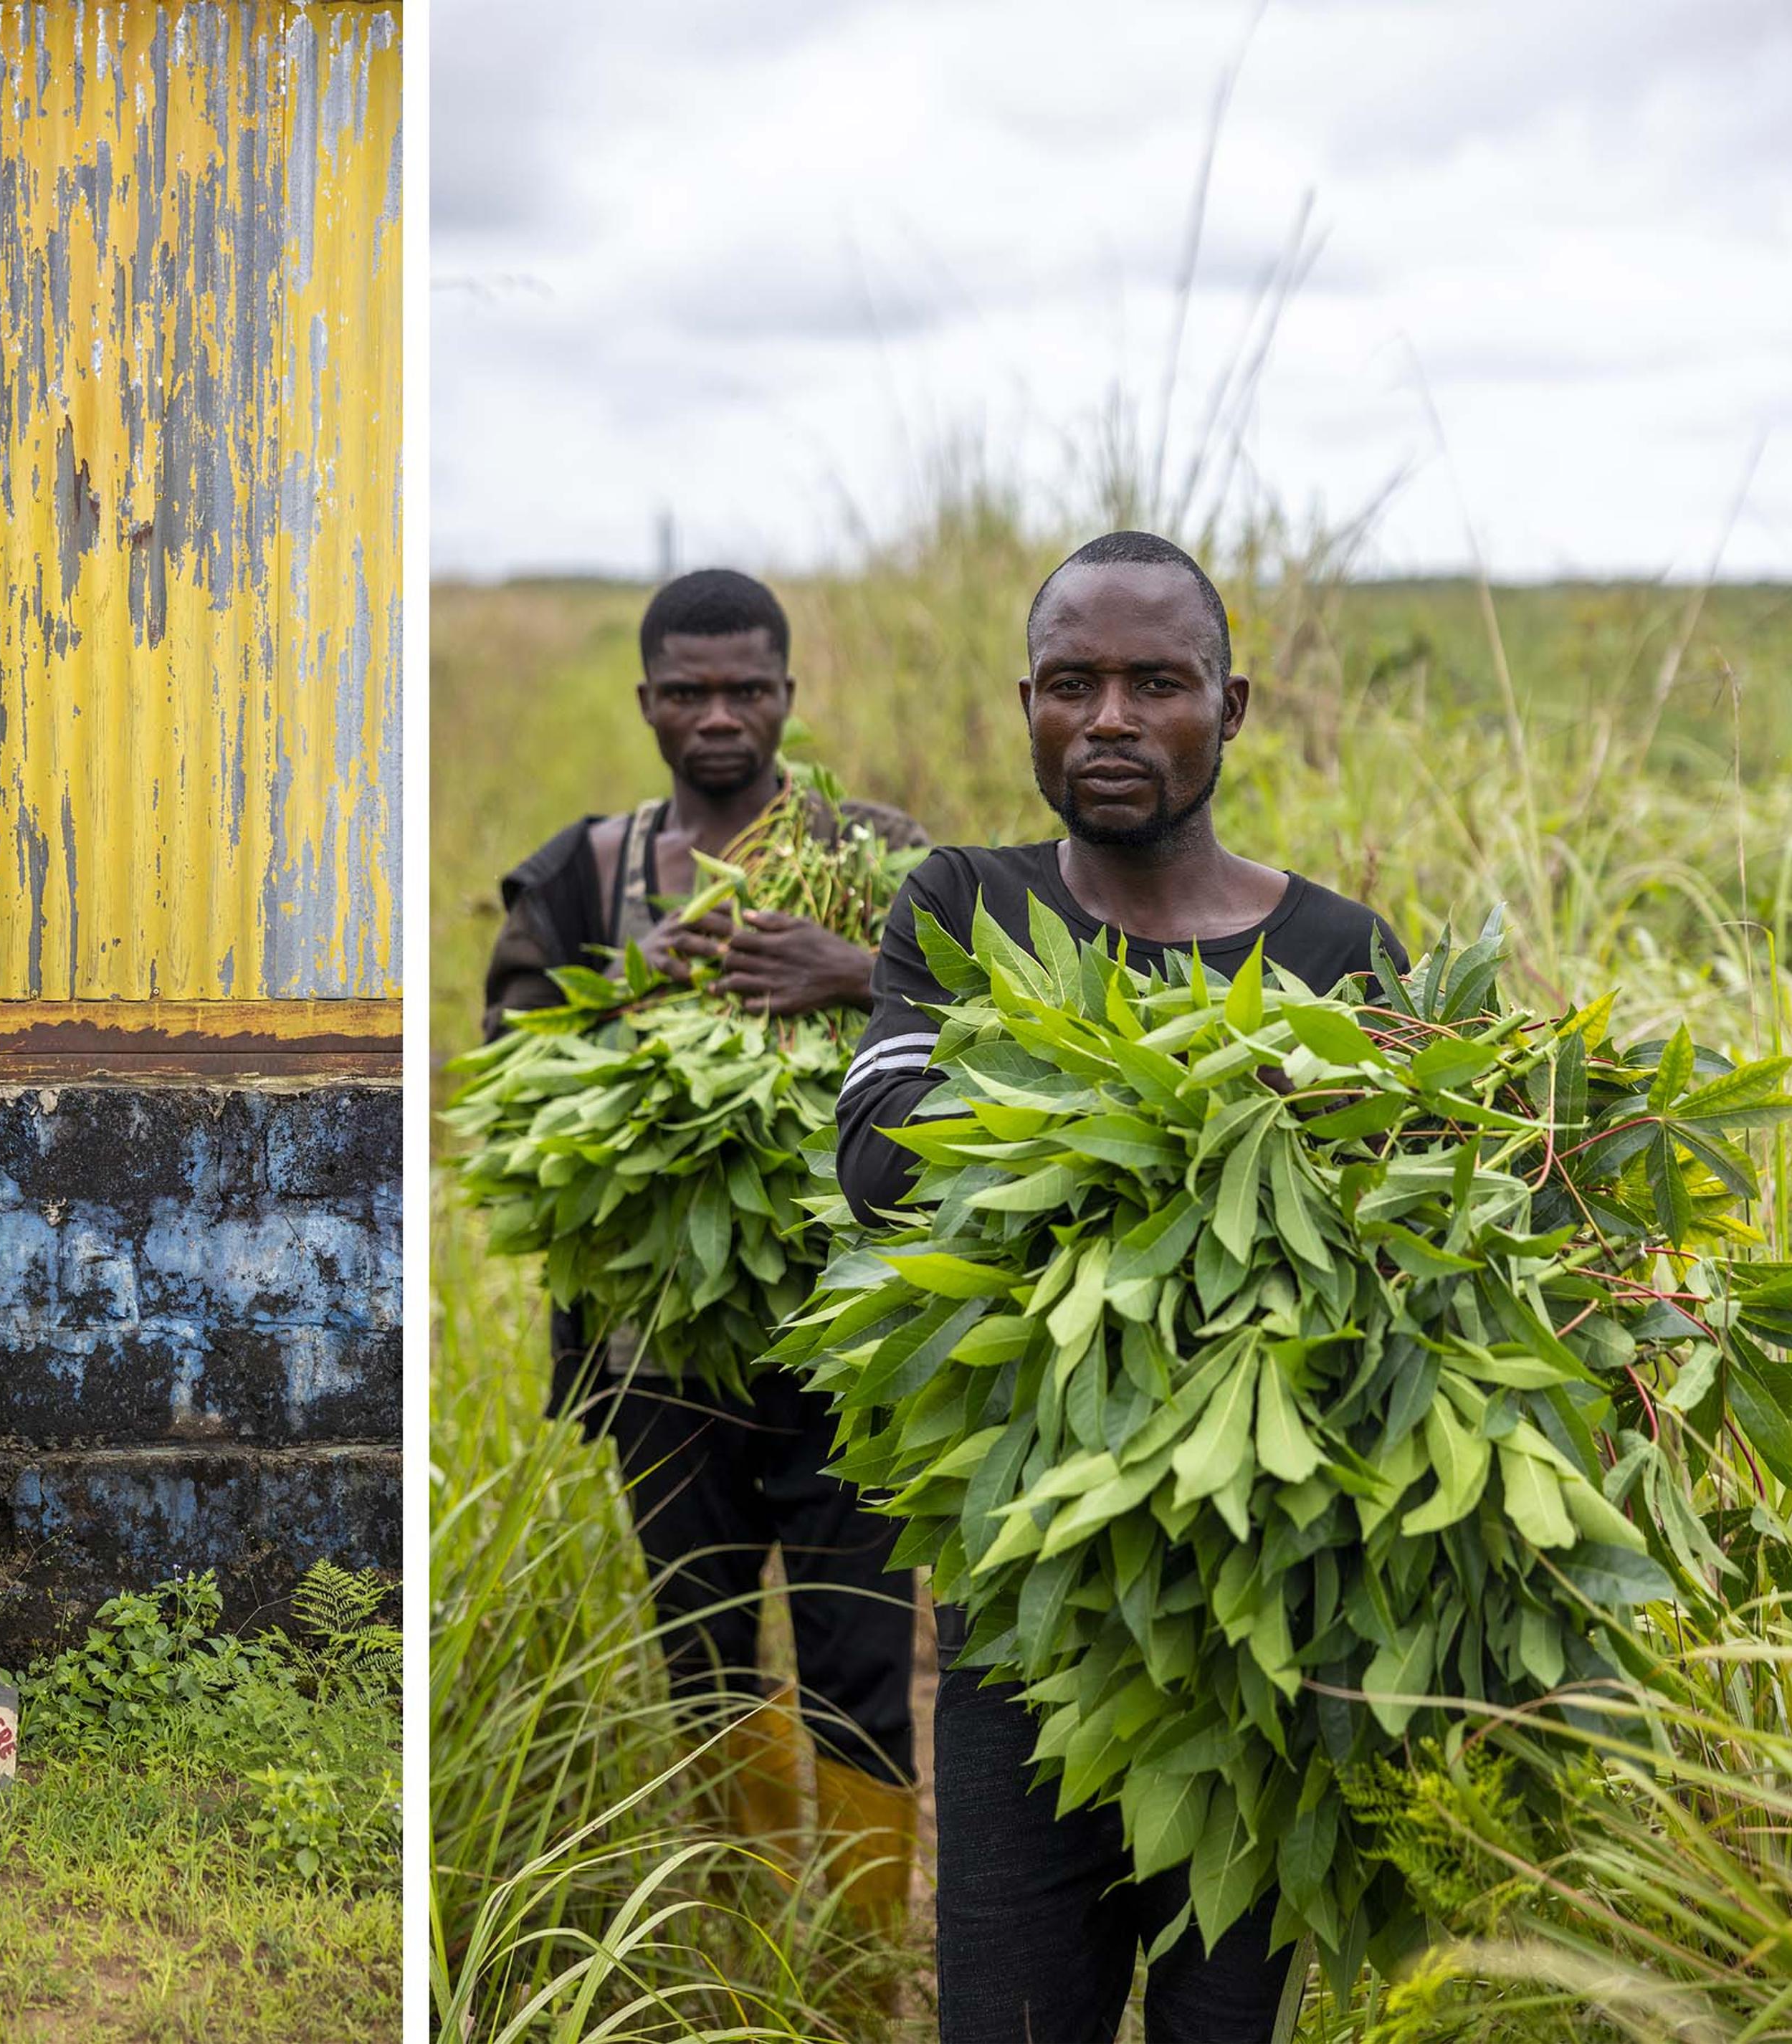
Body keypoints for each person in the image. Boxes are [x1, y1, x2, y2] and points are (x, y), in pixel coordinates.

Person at [834, 530, 1406, 2044]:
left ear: (1233, 707)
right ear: (1024, 701)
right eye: (1073, 683)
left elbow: (1405, 1262)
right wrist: (1245, 1093)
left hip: (1272, 1643)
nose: (1109, 718)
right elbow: (887, 1156)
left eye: (1157, 682)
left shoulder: (1345, 954)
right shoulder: (960, 907)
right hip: (1027, 1633)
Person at [483, 567, 930, 1921]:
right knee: (706, 1662)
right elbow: (509, 1068)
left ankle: (854, 1985)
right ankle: (742, 1953)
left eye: (748, 689)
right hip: (662, 1367)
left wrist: (855, 972)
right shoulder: (584, 874)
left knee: (863, 1663)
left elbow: (997, 1015)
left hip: (851, 1356)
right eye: (689, 692)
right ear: (647, 704)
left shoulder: (883, 856)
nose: (719, 716)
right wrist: (635, 987)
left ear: (792, 697)